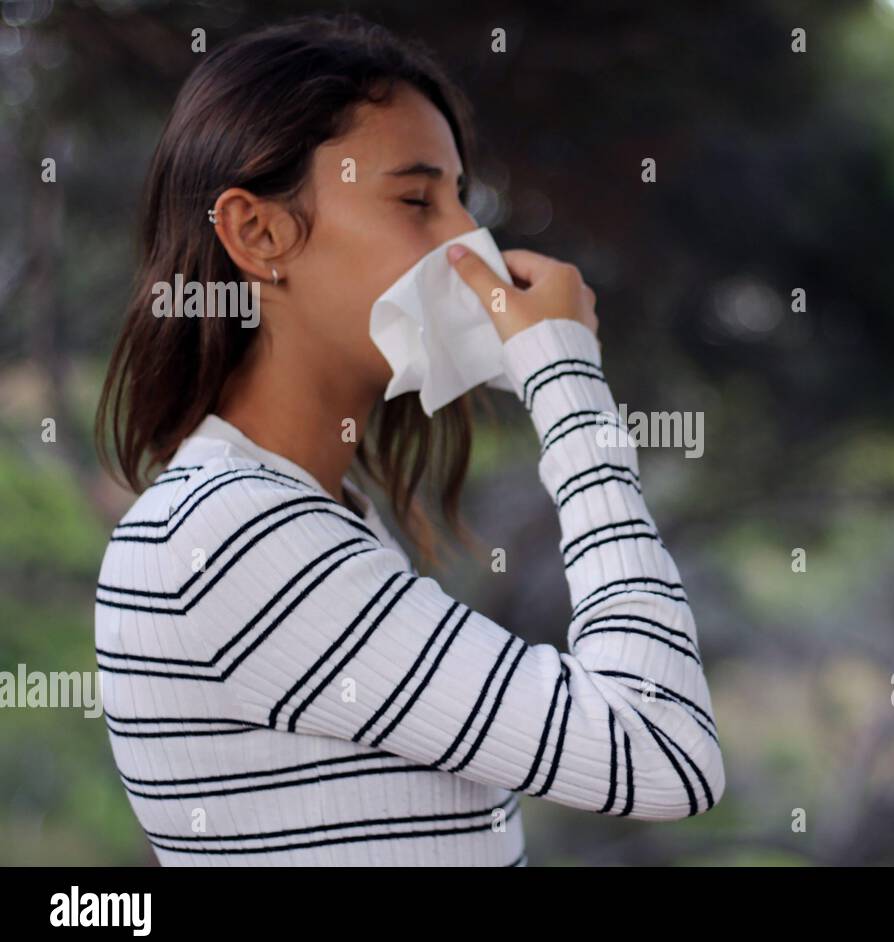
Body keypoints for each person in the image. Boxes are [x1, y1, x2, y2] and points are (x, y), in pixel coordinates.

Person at [93, 13, 725, 866]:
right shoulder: (231, 536)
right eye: (416, 199)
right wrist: (567, 385)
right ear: (258, 233)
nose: (470, 241)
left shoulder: (312, 515)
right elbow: (663, 752)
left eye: (463, 199)